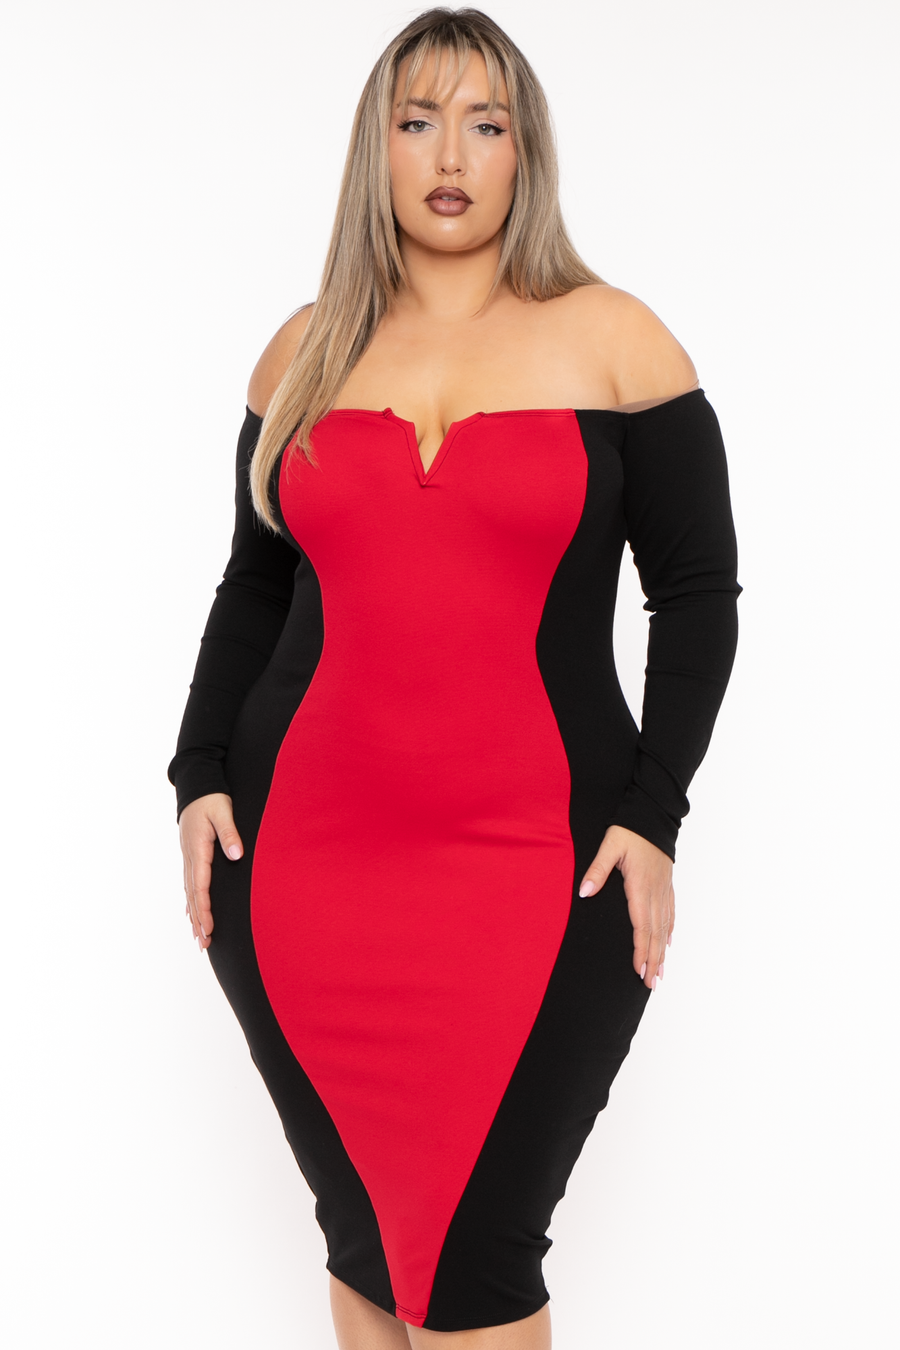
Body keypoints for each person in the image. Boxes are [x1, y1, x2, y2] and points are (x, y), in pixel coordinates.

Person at [169, 8, 741, 1347]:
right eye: (417, 121)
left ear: (525, 150)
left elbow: (697, 596)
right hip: (303, 864)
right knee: (367, 1235)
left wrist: (654, 812)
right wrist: (195, 774)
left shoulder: (618, 341)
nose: (449, 156)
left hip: (544, 867)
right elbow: (254, 588)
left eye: (485, 124)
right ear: (373, 148)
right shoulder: (302, 352)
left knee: (480, 1255)